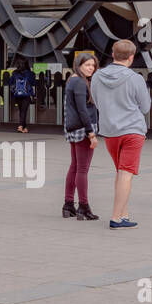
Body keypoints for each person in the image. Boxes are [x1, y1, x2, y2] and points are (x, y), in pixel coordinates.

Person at [90, 39, 151, 229]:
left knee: (121, 172)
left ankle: (124, 214)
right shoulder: (135, 78)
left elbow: (97, 102)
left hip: (110, 131)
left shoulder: (97, 76)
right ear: (131, 58)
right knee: (126, 173)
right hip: (132, 129)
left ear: (113, 54)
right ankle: (116, 217)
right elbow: (146, 106)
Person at [62, 52, 99, 221]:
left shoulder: (72, 80)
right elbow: (82, 110)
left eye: (93, 65)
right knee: (82, 168)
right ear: (79, 65)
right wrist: (91, 133)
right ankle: (83, 206)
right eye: (87, 65)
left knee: (75, 166)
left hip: (73, 128)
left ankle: (68, 204)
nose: (91, 68)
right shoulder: (79, 82)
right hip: (82, 130)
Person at [12, 60, 35, 133]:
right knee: (24, 110)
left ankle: (24, 127)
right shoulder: (30, 73)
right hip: (27, 94)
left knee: (21, 110)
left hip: (17, 94)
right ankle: (21, 125)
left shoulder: (14, 73)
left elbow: (11, 82)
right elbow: (33, 83)